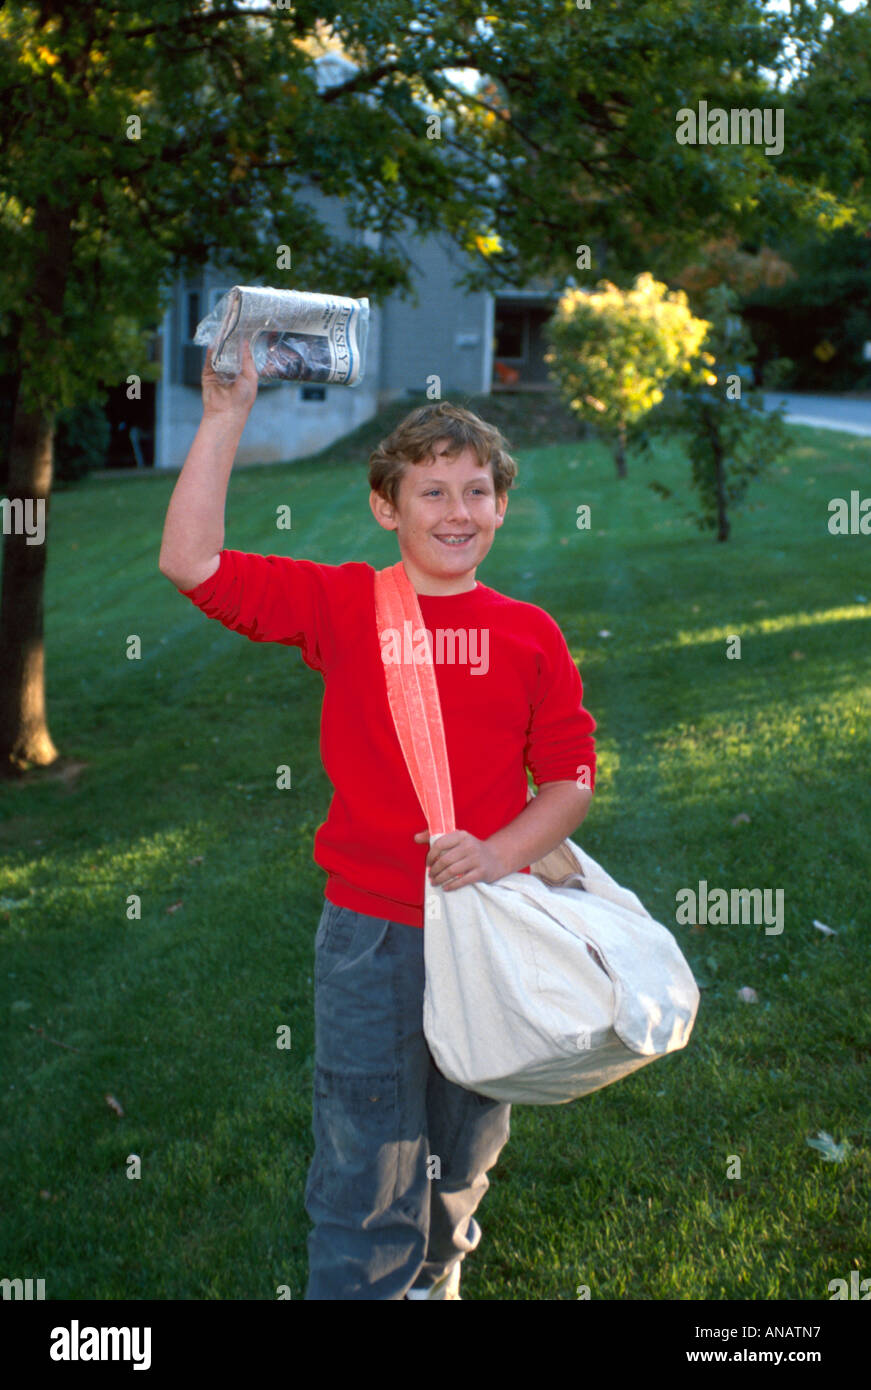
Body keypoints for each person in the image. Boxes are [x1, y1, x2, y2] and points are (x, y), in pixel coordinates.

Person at [158, 339, 598, 1300]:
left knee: (463, 1148)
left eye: (475, 490)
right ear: (384, 506)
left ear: (501, 506)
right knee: (366, 1157)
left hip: (495, 929)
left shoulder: (531, 633)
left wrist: (500, 853)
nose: (456, 511)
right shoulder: (344, 605)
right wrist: (227, 414)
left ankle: (435, 1279)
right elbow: (190, 562)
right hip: (373, 934)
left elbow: (568, 778)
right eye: (430, 492)